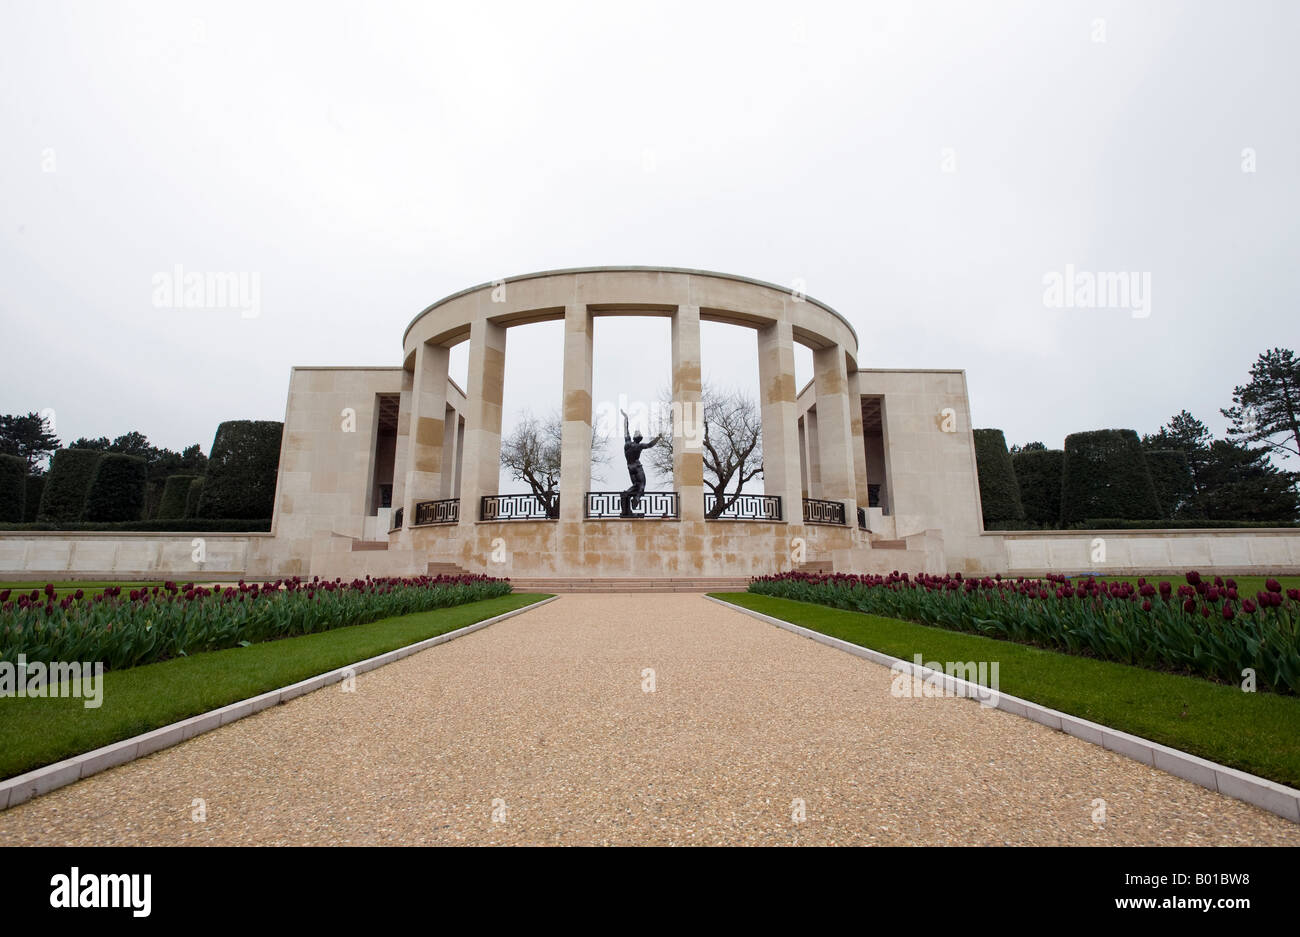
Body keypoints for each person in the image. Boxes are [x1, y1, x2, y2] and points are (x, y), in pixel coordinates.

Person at [619, 409, 662, 517]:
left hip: (630, 467)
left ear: (634, 437)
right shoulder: (640, 446)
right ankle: (636, 500)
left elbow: (625, 429)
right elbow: (650, 445)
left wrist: (626, 418)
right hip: (637, 467)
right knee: (642, 485)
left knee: (635, 485)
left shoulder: (627, 442)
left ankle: (627, 495)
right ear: (640, 438)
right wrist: (658, 437)